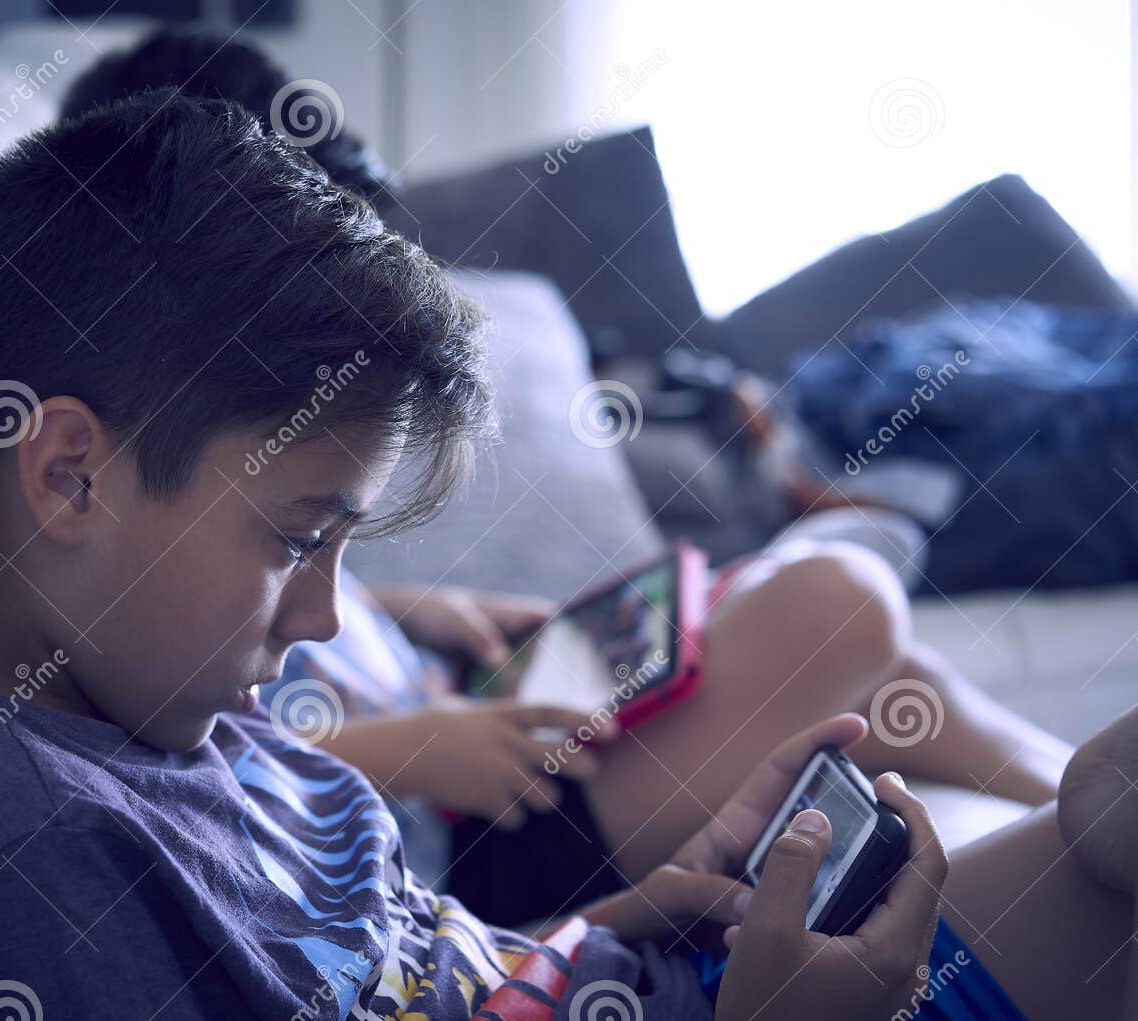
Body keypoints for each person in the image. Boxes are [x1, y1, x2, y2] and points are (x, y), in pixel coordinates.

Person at [0, 93, 1138, 1021]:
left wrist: (633, 906)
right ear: (70, 473)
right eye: (294, 537)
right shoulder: (40, 859)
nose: (322, 616)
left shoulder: (154, 694)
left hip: (672, 994)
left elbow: (402, 1010)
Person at [54, 25, 1069, 928]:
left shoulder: (204, 505)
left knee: (866, 661)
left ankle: (1095, 798)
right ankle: (1114, 804)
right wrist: (400, 749)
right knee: (833, 603)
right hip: (471, 823)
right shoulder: (103, 556)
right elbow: (166, 782)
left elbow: (276, 599)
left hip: (466, 706)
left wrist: (407, 609)